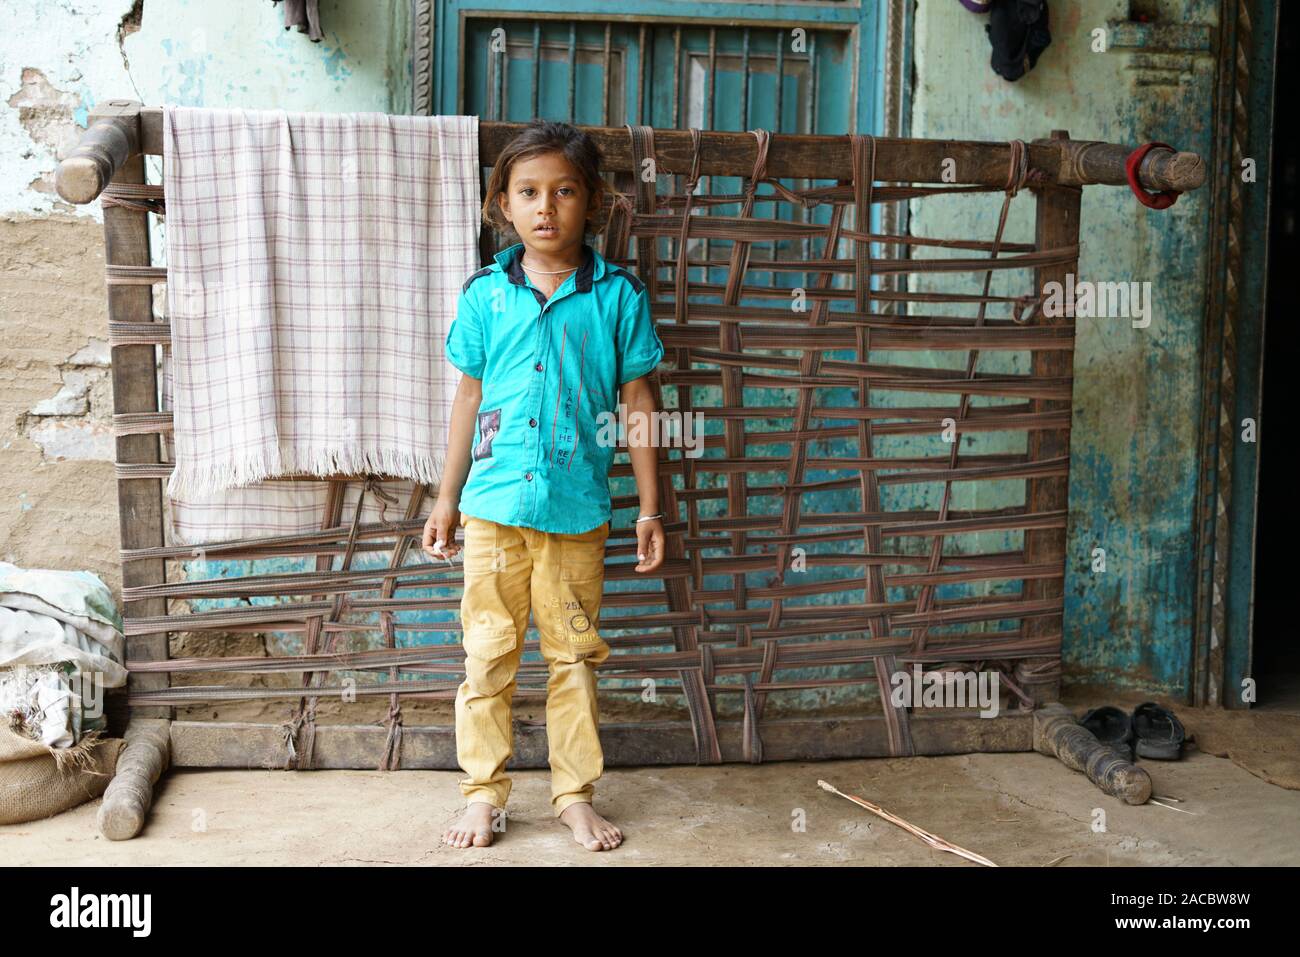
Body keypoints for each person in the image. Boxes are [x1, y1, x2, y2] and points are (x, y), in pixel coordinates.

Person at [423, 119, 667, 852]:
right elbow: (467, 398)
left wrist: (651, 507)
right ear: (502, 202)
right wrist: (444, 498)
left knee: (574, 657)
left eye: (564, 191)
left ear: (591, 203)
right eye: (528, 191)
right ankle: (482, 794)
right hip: (492, 511)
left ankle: (573, 795)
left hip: (577, 511)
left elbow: (638, 401)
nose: (545, 207)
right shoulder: (485, 295)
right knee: (488, 656)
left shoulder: (618, 295)